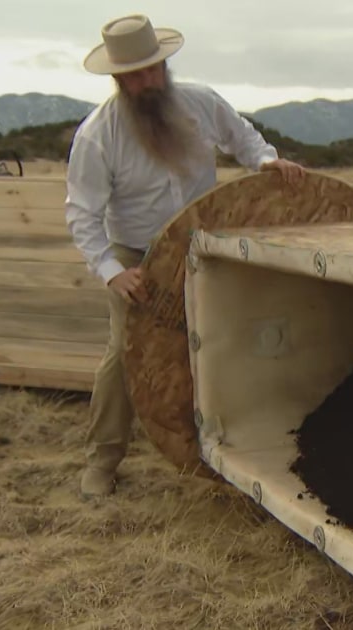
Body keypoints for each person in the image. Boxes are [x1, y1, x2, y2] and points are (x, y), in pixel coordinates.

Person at [65, 14, 307, 498]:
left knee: (223, 341)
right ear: (118, 79)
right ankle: (102, 460)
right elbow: (82, 215)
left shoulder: (200, 103)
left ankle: (237, 445)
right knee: (125, 354)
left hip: (204, 249)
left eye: (153, 69)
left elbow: (243, 138)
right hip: (138, 257)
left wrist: (265, 161)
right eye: (134, 75)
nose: (147, 81)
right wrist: (113, 272)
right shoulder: (98, 135)